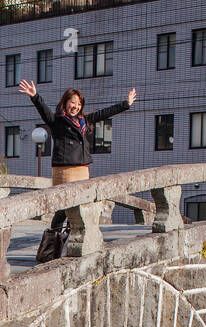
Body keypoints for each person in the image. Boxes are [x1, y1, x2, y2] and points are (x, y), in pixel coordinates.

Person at [19, 79, 136, 258]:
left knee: (80, 206)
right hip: (64, 170)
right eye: (72, 102)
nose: (75, 106)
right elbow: (44, 112)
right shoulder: (57, 121)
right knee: (62, 207)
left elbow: (105, 113)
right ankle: (50, 247)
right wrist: (35, 96)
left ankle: (72, 243)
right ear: (65, 103)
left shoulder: (84, 121)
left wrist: (125, 104)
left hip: (81, 168)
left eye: (78, 103)